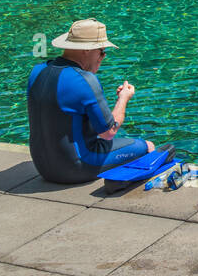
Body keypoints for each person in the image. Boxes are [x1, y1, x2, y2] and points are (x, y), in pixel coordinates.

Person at [26, 18, 154, 183]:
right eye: (101, 51)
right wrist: (123, 99)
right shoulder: (84, 80)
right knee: (146, 146)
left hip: (43, 168)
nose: (103, 57)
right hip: (76, 168)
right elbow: (109, 132)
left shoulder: (37, 71)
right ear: (87, 49)